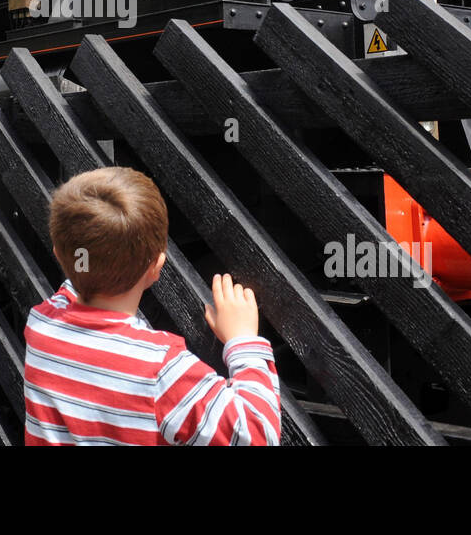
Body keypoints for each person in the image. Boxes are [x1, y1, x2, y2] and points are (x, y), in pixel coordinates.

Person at [24, 166, 282, 445]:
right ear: (157, 266)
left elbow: (76, 275)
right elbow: (258, 434)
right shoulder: (162, 369)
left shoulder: (41, 324)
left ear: (58, 256)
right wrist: (243, 341)